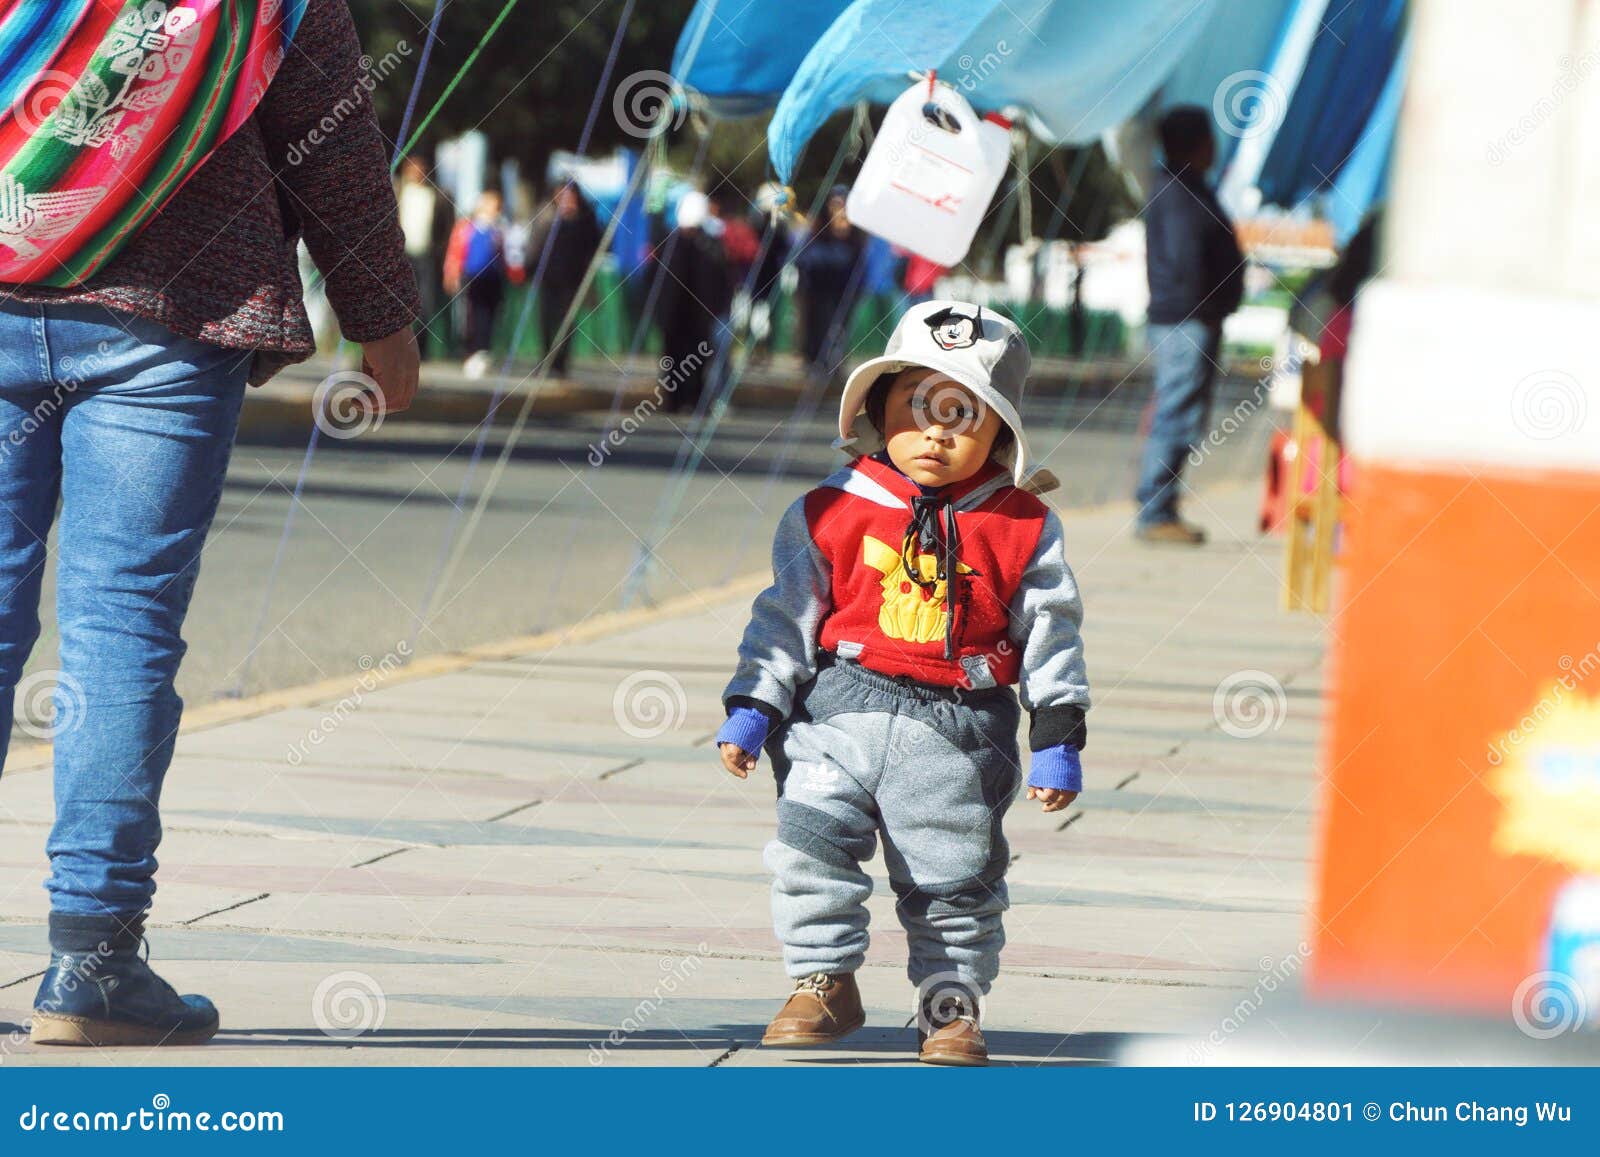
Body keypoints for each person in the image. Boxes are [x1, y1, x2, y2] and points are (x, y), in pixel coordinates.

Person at [0, 0, 419, 1047]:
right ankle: (92, 962)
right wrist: (381, 317)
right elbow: (333, 140)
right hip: (173, 319)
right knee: (123, 626)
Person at [715, 301, 1090, 1066]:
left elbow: (1053, 633)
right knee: (810, 845)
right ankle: (822, 976)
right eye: (918, 409)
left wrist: (1056, 736)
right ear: (879, 409)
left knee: (953, 880)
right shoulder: (828, 510)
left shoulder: (1023, 525)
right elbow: (785, 614)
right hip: (835, 711)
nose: (938, 433)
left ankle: (949, 1002)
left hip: (959, 730)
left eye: (963, 415)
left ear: (1000, 433)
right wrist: (753, 704)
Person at [1133, 104, 1245, 544]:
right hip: (1185, 321)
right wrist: (1208, 300)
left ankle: (1162, 506)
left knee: (1180, 413)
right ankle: (1155, 510)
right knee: (1175, 415)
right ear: (1196, 143)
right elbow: (1185, 259)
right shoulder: (1178, 192)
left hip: (1190, 318)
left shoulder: (1186, 188)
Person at [652, 191, 732, 415]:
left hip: (698, 317)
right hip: (677, 317)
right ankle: (675, 399)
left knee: (695, 361)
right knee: (674, 360)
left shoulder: (707, 245)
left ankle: (692, 399)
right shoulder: (671, 245)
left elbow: (720, 281)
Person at [794, 186, 867, 385]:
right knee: (819, 329)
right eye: (836, 205)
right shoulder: (818, 234)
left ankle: (834, 369)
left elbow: (860, 267)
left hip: (843, 294)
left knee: (839, 331)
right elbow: (805, 260)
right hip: (819, 292)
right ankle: (817, 366)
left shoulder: (856, 238)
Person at [530, 182, 602, 380]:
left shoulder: (584, 220)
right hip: (548, 278)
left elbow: (594, 244)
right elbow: (536, 245)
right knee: (546, 320)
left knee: (566, 322)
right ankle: (545, 360)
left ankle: (561, 362)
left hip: (572, 280)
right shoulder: (547, 216)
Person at [444, 189, 508, 379]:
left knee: (490, 316)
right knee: (471, 316)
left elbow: (505, 255)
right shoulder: (467, 226)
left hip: (493, 279)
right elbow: (455, 251)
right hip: (472, 278)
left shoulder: (500, 228)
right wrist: (452, 274)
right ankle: (471, 352)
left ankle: (484, 352)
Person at [396, 156, 451, 357]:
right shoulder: (397, 192)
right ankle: (401, 348)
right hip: (403, 256)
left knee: (425, 303)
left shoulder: (437, 196)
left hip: (427, 258)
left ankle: (422, 347)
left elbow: (446, 230)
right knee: (401, 302)